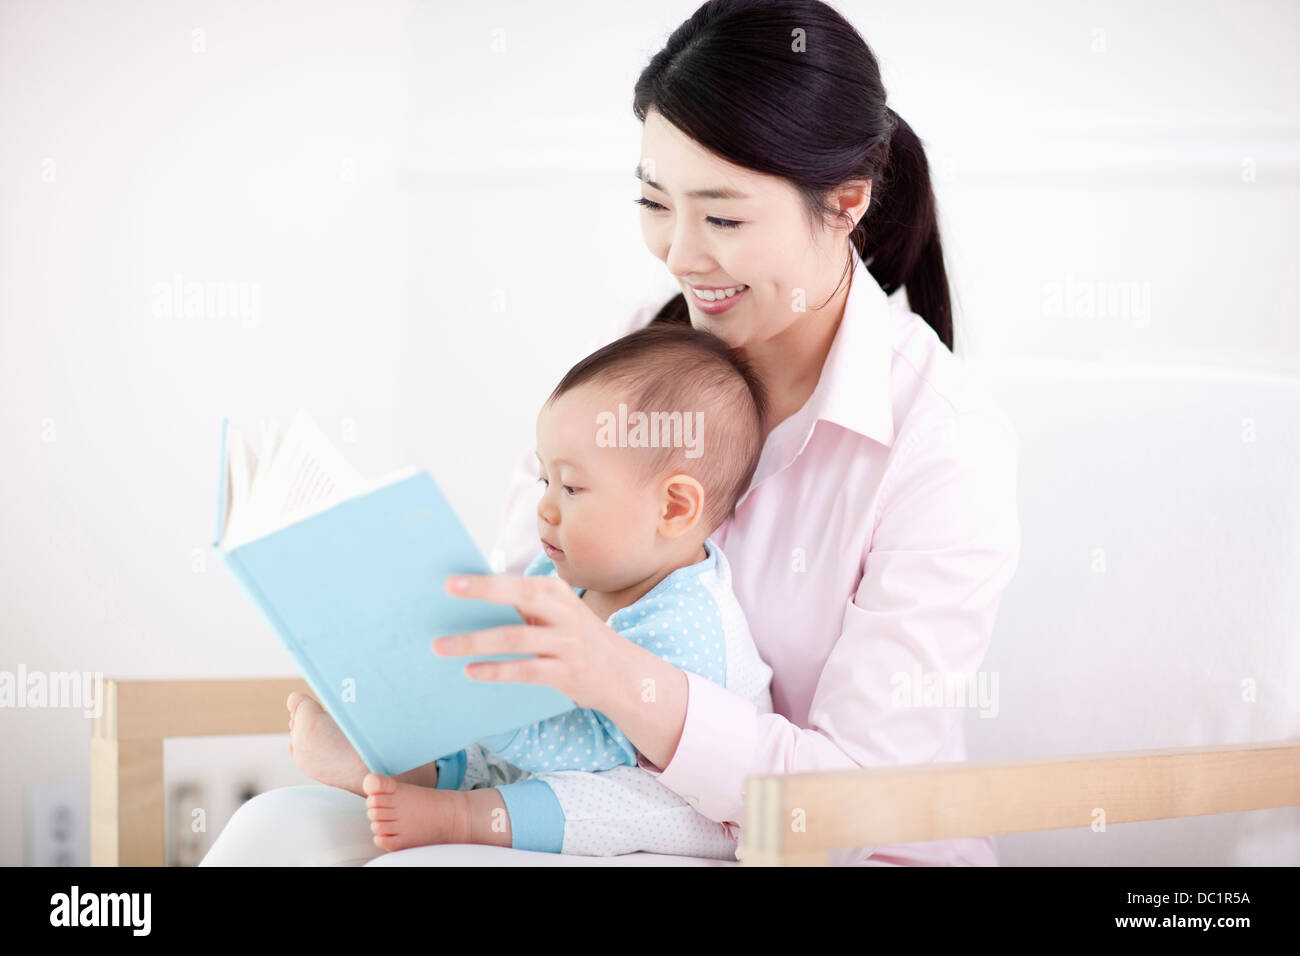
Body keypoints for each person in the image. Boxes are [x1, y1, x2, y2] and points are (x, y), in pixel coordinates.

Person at [202, 0, 1019, 867]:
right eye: (653, 201)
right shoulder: (647, 354)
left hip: (793, 846)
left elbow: (861, 802)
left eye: (724, 217)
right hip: (564, 802)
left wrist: (618, 679)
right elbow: (525, 589)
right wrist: (383, 681)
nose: (679, 252)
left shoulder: (940, 443)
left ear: (846, 203)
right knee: (275, 830)